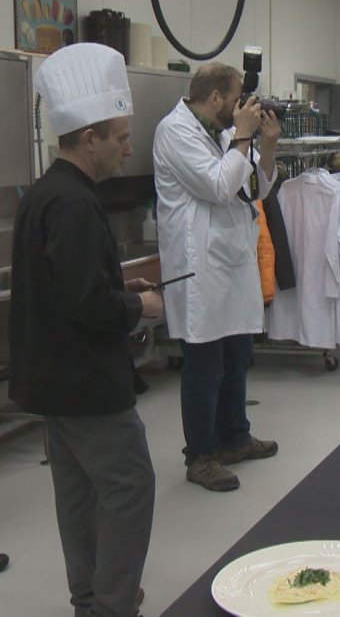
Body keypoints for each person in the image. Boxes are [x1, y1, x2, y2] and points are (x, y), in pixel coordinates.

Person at [10, 42, 162, 617]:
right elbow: (87, 302)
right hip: (86, 382)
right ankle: (113, 605)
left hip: (50, 380)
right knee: (130, 486)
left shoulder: (46, 193)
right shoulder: (74, 205)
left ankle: (90, 600)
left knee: (76, 494)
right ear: (90, 136)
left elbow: (63, 291)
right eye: (121, 136)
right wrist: (140, 307)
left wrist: (119, 296)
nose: (128, 147)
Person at [154, 63, 281, 492]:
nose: (242, 105)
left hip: (231, 264)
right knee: (204, 368)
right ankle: (202, 456)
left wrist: (267, 147)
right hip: (200, 269)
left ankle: (235, 437)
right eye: (236, 97)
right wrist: (244, 137)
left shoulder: (224, 132)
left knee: (237, 359)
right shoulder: (174, 132)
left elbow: (255, 190)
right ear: (214, 98)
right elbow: (217, 186)